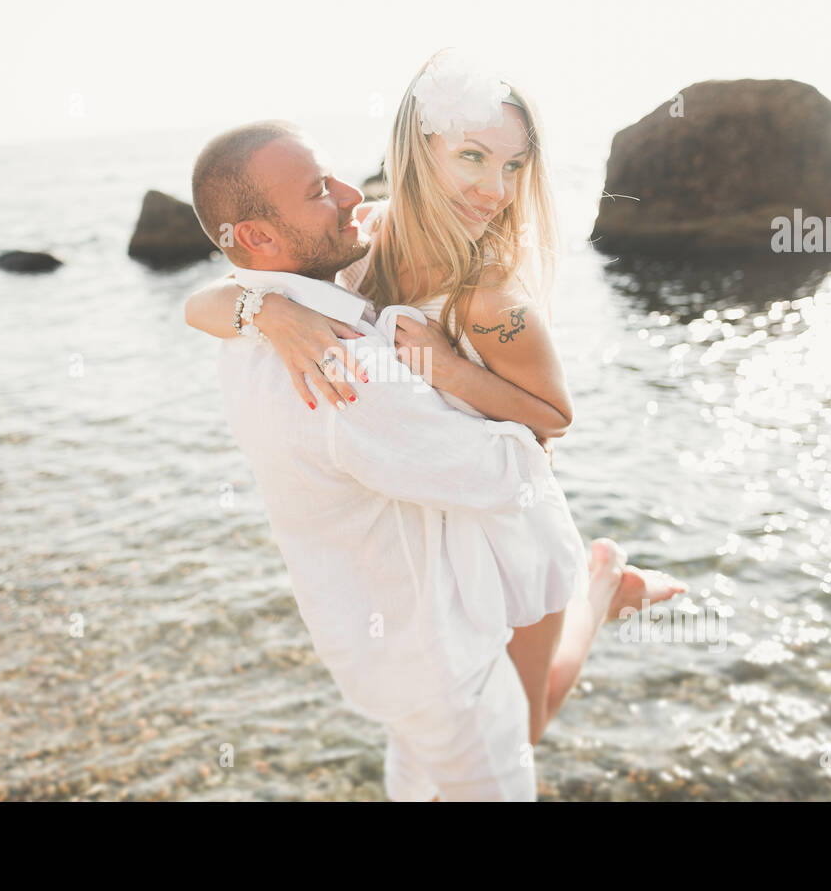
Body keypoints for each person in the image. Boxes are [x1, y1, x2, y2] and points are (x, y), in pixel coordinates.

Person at [185, 50, 686, 748]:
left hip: (514, 522)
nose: (496, 188)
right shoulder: (368, 239)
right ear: (419, 153)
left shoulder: (490, 297)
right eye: (475, 157)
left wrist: (448, 368)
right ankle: (601, 592)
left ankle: (599, 590)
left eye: (515, 167)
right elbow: (198, 304)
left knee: (525, 727)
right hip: (447, 514)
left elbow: (553, 419)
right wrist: (265, 309)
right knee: (473, 735)